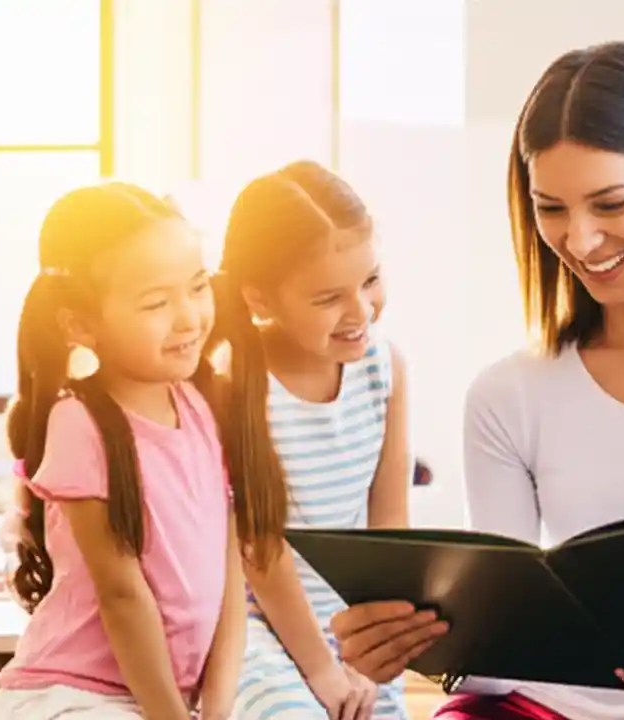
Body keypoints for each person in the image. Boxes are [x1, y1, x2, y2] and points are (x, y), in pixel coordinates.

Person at [329, 41, 624, 720]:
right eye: (551, 208)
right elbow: (499, 653)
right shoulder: (508, 396)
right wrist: (414, 643)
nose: (581, 241)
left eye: (610, 204)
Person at [0, 183, 244, 719]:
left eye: (197, 288)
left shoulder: (204, 409)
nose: (189, 318)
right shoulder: (80, 422)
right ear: (81, 324)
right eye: (156, 302)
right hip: (72, 696)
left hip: (162, 702)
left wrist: (216, 711)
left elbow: (231, 574)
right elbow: (122, 595)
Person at [209, 161, 411, 719]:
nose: (360, 312)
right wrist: (322, 669)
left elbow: (390, 531)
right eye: (328, 298)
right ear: (260, 299)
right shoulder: (233, 380)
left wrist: (373, 654)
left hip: (355, 633)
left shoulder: (385, 367)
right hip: (260, 632)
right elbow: (259, 551)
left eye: (369, 280)